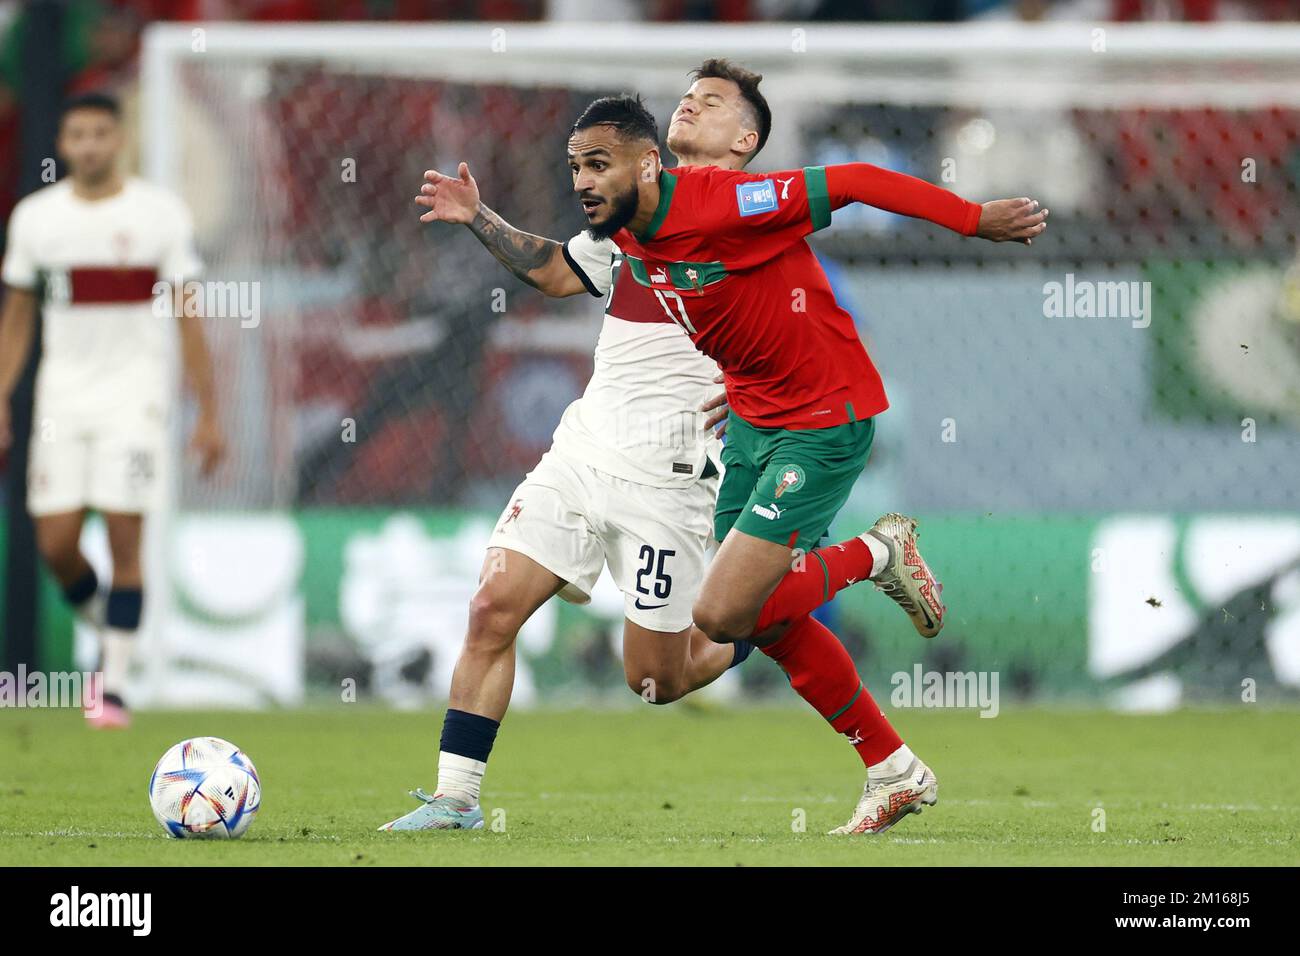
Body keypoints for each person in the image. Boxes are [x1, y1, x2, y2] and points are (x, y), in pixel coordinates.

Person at [0, 92, 224, 728]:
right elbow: (16, 316)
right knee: (57, 545)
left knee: (126, 538)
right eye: (78, 134)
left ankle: (116, 687)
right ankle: (112, 630)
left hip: (136, 398)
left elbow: (189, 317)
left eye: (101, 133)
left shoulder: (159, 215)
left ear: (118, 139)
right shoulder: (36, 219)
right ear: (62, 144)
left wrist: (208, 411)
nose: (90, 145)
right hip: (60, 402)